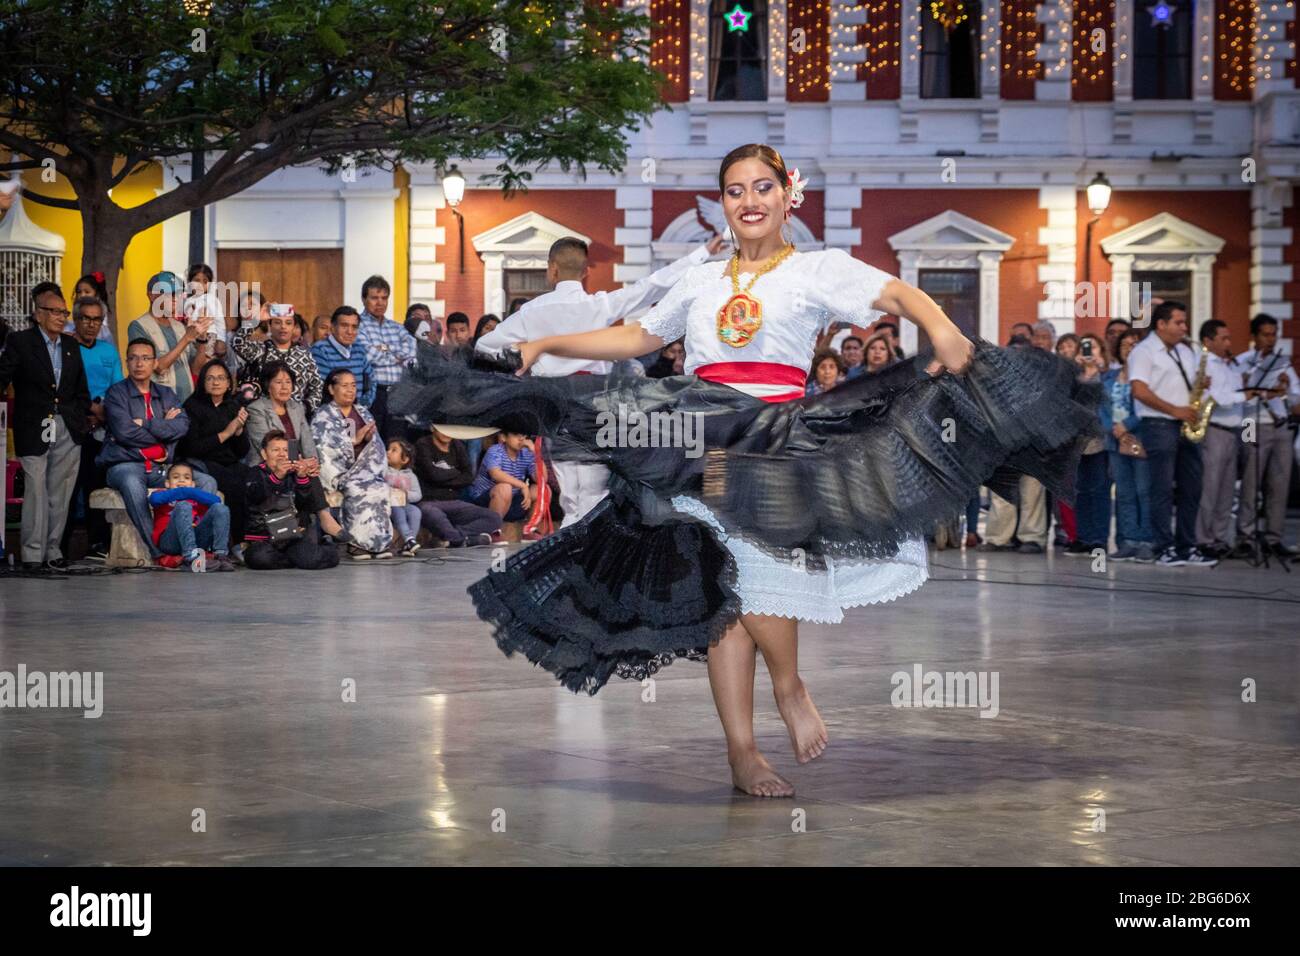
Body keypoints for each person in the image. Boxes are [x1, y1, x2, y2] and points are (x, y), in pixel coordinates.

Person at [391, 143, 1097, 798]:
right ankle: (740, 748)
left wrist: (941, 327)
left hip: (775, 434)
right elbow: (640, 334)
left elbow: (896, 295)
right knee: (722, 593)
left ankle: (789, 685)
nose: (748, 200)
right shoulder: (701, 276)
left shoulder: (817, 268)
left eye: (763, 187)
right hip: (694, 433)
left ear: (789, 196)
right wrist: (548, 338)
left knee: (765, 576)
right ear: (723, 203)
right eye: (735, 191)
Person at [475, 232, 723, 527]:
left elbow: (484, 346)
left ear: (551, 269)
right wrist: (702, 252)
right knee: (594, 493)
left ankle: (573, 556)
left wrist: (521, 366)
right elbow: (654, 284)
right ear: (585, 272)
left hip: (554, 404)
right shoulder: (600, 305)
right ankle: (588, 559)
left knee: (570, 496)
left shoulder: (531, 312)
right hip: (595, 404)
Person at [97, 337, 219, 562]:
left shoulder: (166, 394)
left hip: (162, 467)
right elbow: (125, 432)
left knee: (206, 482)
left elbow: (182, 426)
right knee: (132, 484)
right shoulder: (116, 394)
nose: (139, 363)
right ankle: (159, 553)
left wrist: (146, 424)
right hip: (124, 464)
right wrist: (163, 436)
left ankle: (198, 546)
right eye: (133, 358)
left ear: (155, 363)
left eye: (145, 358)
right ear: (127, 362)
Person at [0, 285, 91, 569]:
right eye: (54, 312)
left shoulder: (71, 345)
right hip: (34, 424)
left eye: (64, 312)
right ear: (39, 314)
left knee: (60, 491)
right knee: (36, 489)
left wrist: (79, 416)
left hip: (66, 424)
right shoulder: (20, 341)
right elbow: (3, 376)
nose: (61, 317)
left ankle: (53, 551)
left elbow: (81, 389)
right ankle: (31, 554)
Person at [1127, 300, 1215, 567]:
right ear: (1162, 324)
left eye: (1184, 322)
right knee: (1162, 489)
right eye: (1179, 322)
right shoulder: (1144, 351)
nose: (1184, 327)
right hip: (1159, 425)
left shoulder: (1186, 352)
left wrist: (1201, 387)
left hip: (1186, 424)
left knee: (1192, 487)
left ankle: (1187, 546)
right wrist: (1174, 410)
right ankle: (1163, 547)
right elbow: (1139, 391)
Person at [241, 362, 351, 543]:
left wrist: (312, 461)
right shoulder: (257, 409)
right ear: (268, 385)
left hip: (293, 465)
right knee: (303, 470)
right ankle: (325, 521)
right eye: (278, 382)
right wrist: (299, 461)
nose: (284, 387)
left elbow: (306, 440)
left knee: (307, 471)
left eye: (288, 382)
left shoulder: (296, 407)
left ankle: (319, 525)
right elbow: (268, 442)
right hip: (267, 467)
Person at [62, 295, 123, 558]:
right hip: (72, 427)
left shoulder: (108, 351)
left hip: (101, 429)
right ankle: (60, 547)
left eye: (96, 319)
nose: (90, 324)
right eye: (85, 318)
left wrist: (101, 415)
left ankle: (98, 544)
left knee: (96, 486)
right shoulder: (65, 347)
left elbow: (117, 388)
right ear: (75, 320)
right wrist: (86, 412)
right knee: (67, 491)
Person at [1235, 314, 1300, 557]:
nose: (1271, 340)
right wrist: (1258, 388)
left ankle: (1274, 537)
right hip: (1252, 423)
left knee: (1280, 482)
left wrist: (1285, 391)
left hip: (1280, 424)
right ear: (1254, 336)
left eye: (1274, 334)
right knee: (1251, 480)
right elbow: (1237, 395)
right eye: (1266, 334)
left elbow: (1295, 401)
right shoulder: (1241, 362)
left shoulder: (1283, 364)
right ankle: (1246, 536)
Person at [312, 368, 394, 559]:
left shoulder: (363, 412)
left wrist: (371, 441)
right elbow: (323, 447)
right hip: (343, 472)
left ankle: (378, 543)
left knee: (380, 488)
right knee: (359, 489)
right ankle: (356, 543)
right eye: (344, 386)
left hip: (367, 470)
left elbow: (377, 445)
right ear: (332, 389)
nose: (350, 390)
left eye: (353, 386)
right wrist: (354, 441)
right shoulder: (323, 416)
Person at [243, 431, 342, 571]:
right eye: (275, 450)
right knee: (258, 558)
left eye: (285, 450)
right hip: (265, 537)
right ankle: (296, 559)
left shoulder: (295, 473)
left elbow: (305, 505)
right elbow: (256, 497)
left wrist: (302, 477)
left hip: (294, 535)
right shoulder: (254, 473)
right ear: (264, 454)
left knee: (312, 561)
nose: (282, 454)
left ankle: (327, 549)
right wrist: (276, 477)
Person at [179, 359, 252, 549]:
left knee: (254, 479)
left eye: (221, 378)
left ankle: (257, 537)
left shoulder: (233, 406)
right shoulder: (192, 406)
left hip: (230, 461)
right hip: (202, 462)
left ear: (229, 383)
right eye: (210, 378)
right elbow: (192, 447)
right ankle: (238, 542)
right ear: (202, 382)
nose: (216, 382)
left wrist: (238, 433)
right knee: (234, 485)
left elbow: (242, 450)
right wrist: (226, 433)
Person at [1101, 330, 1155, 562]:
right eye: (1125, 344)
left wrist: (1126, 426)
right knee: (1124, 493)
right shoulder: (1109, 377)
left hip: (1140, 438)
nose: (1129, 348)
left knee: (1144, 491)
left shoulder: (1146, 377)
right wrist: (1113, 428)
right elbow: (1100, 406)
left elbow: (1146, 406)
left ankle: (1147, 541)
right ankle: (1129, 541)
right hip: (1115, 440)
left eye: (1135, 344)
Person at [127, 271, 212, 404]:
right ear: (152, 295)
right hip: (160, 404)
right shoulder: (138, 326)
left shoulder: (179, 326)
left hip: (187, 402)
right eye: (168, 293)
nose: (175, 298)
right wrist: (186, 339)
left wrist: (202, 339)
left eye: (178, 294)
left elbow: (196, 368)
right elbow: (158, 367)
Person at [412, 425, 502, 546]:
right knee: (431, 512)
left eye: (450, 428)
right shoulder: (423, 444)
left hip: (455, 502)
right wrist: (455, 473)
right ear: (432, 428)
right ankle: (464, 540)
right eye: (442, 428)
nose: (447, 432)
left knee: (494, 517)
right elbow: (433, 475)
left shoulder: (457, 445)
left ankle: (455, 538)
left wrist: (441, 477)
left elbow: (468, 477)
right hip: (429, 501)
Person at [354, 275, 417, 441]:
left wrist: (384, 349)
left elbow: (412, 350)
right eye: (374, 298)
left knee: (397, 444)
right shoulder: (357, 326)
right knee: (373, 444)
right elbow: (368, 354)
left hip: (398, 393)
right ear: (363, 299)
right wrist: (396, 355)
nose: (380, 303)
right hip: (373, 394)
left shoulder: (397, 327)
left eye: (384, 298)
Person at [1065, 333, 1111, 556]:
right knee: (1080, 491)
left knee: (1099, 490)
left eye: (1093, 347)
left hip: (1100, 440)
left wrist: (1100, 371)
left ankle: (1099, 538)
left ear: (1102, 352)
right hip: (1076, 442)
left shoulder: (1108, 376)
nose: (1089, 352)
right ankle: (1082, 537)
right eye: (1085, 347)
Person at [230, 306, 322, 413]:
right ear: (270, 326)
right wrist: (256, 320)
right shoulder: (260, 350)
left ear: (293, 327)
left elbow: (317, 388)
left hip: (296, 417)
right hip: (264, 415)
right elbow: (237, 342)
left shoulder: (305, 355)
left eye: (288, 323)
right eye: (277, 322)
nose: (283, 327)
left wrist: (304, 408)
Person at [148, 462, 236, 571]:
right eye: (176, 477)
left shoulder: (195, 497)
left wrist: (189, 492)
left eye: (186, 477)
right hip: (170, 542)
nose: (181, 480)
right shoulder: (162, 493)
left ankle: (221, 556)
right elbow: (154, 500)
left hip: (196, 539)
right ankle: (190, 558)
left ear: (193, 484)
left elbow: (216, 501)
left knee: (220, 508)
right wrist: (185, 491)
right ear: (167, 483)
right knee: (183, 505)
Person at [311, 306, 377, 408]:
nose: (350, 332)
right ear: (332, 327)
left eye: (354, 327)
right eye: (344, 326)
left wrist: (363, 406)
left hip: (357, 412)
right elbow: (322, 389)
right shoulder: (320, 349)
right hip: (331, 415)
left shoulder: (358, 348)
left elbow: (372, 380)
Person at [462, 432, 536, 521]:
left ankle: (530, 530)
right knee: (505, 488)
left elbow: (541, 479)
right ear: (503, 437)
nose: (522, 439)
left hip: (512, 501)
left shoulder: (527, 453)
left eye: (524, 435)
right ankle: (493, 529)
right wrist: (523, 485)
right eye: (516, 435)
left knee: (541, 489)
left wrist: (535, 453)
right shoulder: (495, 450)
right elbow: (495, 474)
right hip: (485, 501)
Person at [385, 439, 423, 556]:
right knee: (398, 511)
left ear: (405, 459)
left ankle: (410, 542)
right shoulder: (384, 472)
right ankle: (408, 539)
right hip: (389, 505)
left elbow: (418, 494)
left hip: (404, 504)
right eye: (388, 449)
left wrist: (406, 494)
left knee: (415, 512)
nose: (388, 452)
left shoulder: (411, 476)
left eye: (394, 450)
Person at [183, 263, 228, 360]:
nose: (200, 285)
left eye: (205, 281)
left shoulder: (212, 299)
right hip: (192, 336)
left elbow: (220, 321)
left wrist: (221, 340)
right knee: (194, 360)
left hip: (209, 335)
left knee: (205, 360)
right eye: (196, 280)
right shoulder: (187, 301)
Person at [65, 273, 114, 343]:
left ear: (97, 295)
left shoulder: (104, 333)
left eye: (87, 292)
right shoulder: (68, 329)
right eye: (79, 292)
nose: (82, 295)